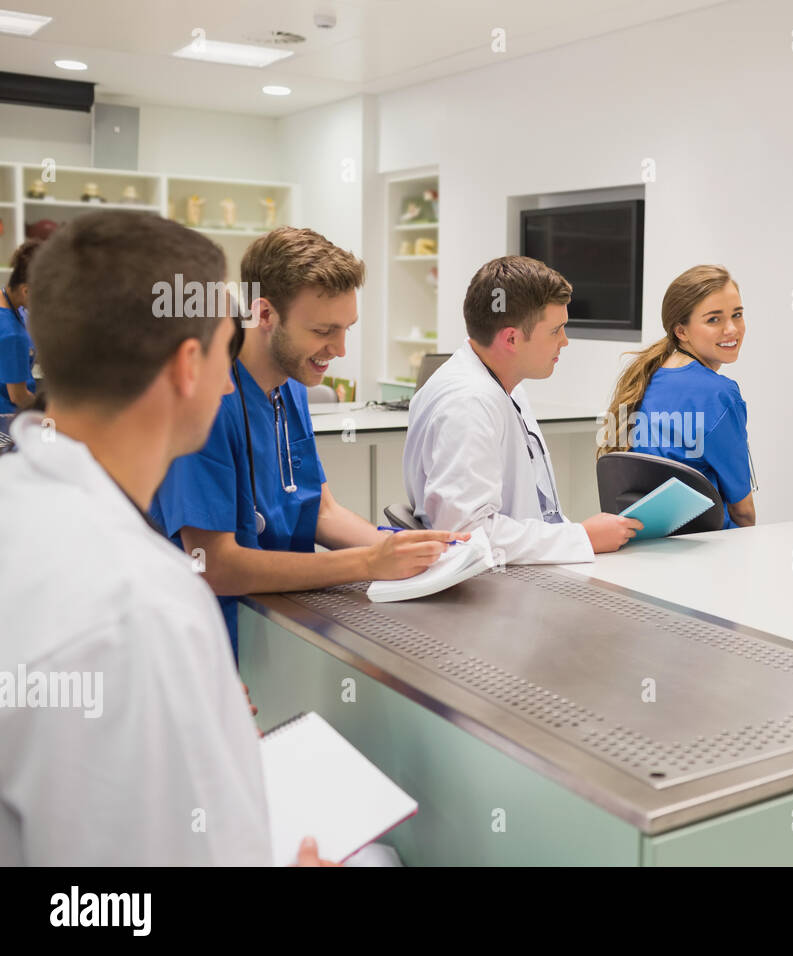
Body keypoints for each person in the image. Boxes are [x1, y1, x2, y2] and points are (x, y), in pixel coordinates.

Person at [0, 210, 328, 864]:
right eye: (226, 348)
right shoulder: (139, 605)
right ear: (188, 365)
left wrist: (178, 703)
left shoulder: (21, 497)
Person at [151, 227, 463, 657]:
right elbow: (215, 565)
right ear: (264, 314)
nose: (339, 349)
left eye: (347, 329)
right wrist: (369, 564)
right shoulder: (207, 399)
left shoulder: (291, 385)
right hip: (212, 641)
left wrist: (423, 552)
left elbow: (319, 509)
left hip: (283, 622)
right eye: (323, 330)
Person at [403, 255, 641, 563]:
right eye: (556, 330)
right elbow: (467, 533)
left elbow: (536, 511)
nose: (565, 342)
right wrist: (581, 537)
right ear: (512, 338)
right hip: (496, 589)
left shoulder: (503, 385)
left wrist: (580, 536)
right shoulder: (468, 403)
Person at [599, 264, 755, 528]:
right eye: (714, 319)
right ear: (681, 331)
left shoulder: (643, 378)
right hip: (710, 552)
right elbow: (743, 512)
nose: (732, 329)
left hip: (647, 549)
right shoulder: (718, 394)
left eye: (737, 315)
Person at [0, 240, 41, 431]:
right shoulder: (11, 334)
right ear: (26, 290)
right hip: (6, 420)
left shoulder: (5, 301)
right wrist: (48, 412)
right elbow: (18, 396)